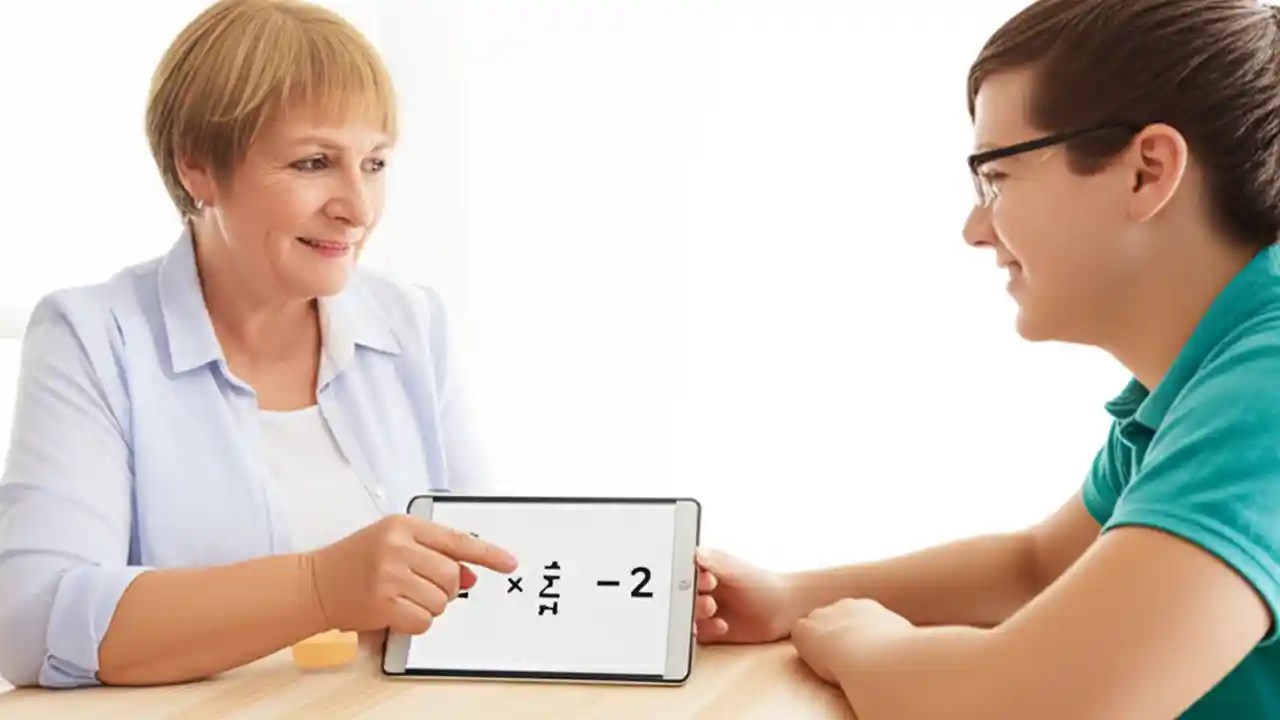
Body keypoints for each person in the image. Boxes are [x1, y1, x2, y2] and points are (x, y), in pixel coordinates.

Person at [0, 0, 720, 689]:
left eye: (374, 163)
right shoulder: (94, 338)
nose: (359, 207)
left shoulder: (408, 324)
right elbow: (33, 621)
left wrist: (636, 597)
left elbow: (486, 571)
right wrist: (319, 588)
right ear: (197, 168)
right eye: (314, 163)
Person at [694, 1, 1280, 717]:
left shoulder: (1266, 383)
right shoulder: (1202, 379)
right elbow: (1038, 567)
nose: (975, 229)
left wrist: (862, 640)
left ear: (1145, 171)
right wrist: (790, 596)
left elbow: (1034, 706)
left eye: (995, 178)